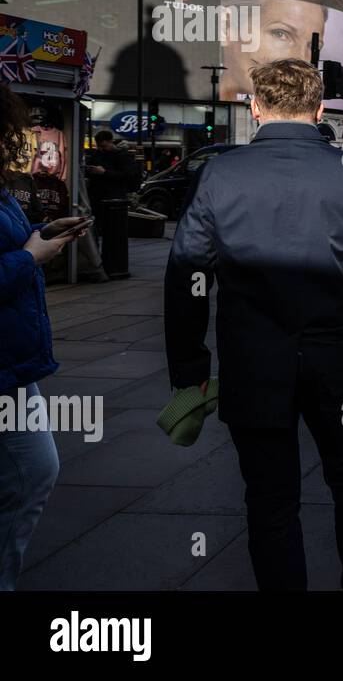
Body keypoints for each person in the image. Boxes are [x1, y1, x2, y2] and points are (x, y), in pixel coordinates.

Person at [165, 59, 343, 590]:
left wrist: (189, 365)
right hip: (334, 359)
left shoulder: (220, 173)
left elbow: (187, 274)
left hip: (253, 361)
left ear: (255, 107)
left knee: (270, 498)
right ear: (319, 109)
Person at [0, 85, 89, 590]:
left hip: (13, 362)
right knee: (34, 470)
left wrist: (43, 230)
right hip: (5, 369)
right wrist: (31, 256)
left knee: (31, 472)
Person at [85, 130, 141, 235]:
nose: (101, 149)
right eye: (99, 146)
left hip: (114, 196)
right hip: (97, 196)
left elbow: (128, 175)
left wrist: (105, 172)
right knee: (98, 226)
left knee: (112, 228)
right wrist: (90, 170)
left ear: (111, 142)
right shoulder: (98, 154)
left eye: (104, 146)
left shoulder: (122, 156)